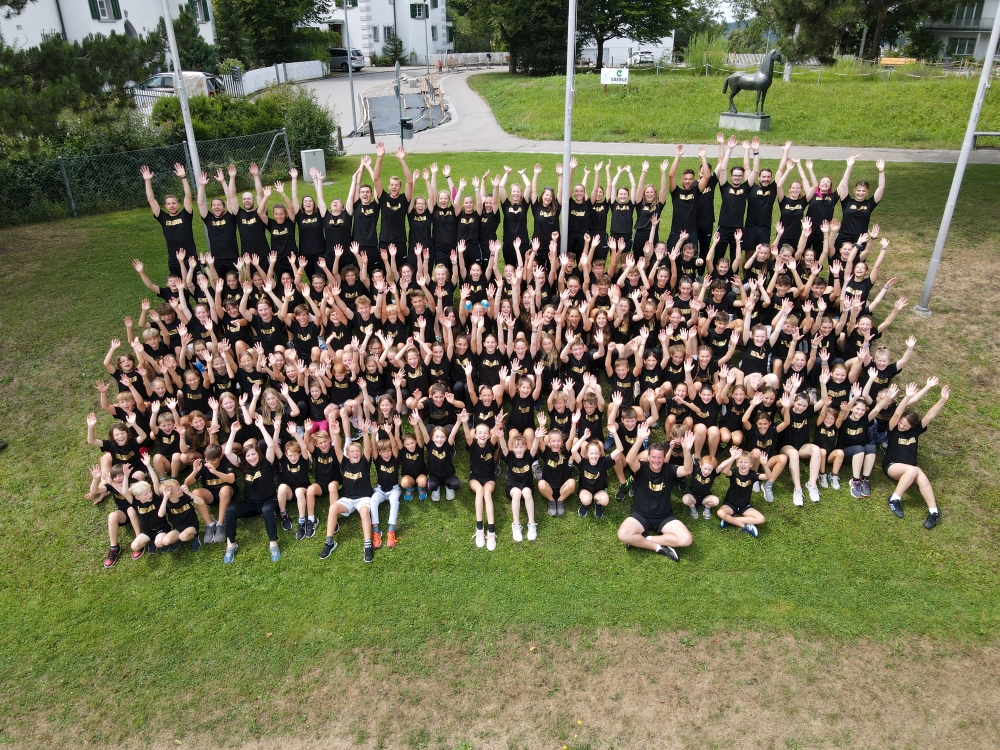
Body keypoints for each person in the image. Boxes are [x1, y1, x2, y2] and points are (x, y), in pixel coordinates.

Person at [616, 424, 695, 562]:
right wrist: (640, 439)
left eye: (659, 458)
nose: (656, 461)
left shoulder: (669, 469)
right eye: (653, 457)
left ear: (664, 458)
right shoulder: (641, 468)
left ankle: (643, 539)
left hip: (664, 517)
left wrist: (687, 450)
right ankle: (659, 548)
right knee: (623, 534)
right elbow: (629, 459)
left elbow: (687, 470)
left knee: (686, 539)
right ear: (648, 457)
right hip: (640, 515)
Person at [881, 381, 949, 529]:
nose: (901, 426)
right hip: (892, 466)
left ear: (912, 427)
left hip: (910, 471)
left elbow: (930, 415)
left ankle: (933, 512)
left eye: (905, 425)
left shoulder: (915, 431)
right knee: (913, 469)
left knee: (920, 474)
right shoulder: (893, 428)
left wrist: (942, 400)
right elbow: (898, 413)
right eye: (901, 423)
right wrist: (907, 397)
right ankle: (894, 499)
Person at [221, 416, 283, 563]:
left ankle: (273, 543)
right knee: (230, 510)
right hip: (249, 503)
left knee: (267, 510)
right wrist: (233, 433)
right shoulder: (244, 466)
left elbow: (270, 446)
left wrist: (261, 426)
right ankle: (231, 544)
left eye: (253, 454)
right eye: (248, 455)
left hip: (268, 501)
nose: (251, 457)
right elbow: (228, 452)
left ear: (258, 454)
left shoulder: (267, 462)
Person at [324, 418, 377, 562]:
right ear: (347, 454)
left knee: (365, 512)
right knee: (333, 507)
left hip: (363, 498)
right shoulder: (344, 463)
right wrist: (335, 434)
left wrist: (365, 433)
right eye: (352, 451)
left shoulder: (364, 464)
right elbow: (337, 449)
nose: (355, 453)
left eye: (357, 451)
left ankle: (367, 545)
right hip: (348, 499)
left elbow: (367, 448)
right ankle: (329, 542)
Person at [141, 163, 196, 277]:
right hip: (174, 260)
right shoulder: (163, 217)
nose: (171, 206)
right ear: (165, 206)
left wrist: (183, 178)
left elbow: (188, 196)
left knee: (196, 288)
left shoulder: (185, 215)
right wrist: (147, 181)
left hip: (190, 258)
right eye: (169, 204)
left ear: (178, 205)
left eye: (174, 203)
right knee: (178, 289)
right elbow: (151, 200)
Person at [462, 412, 500, 551]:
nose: (483, 435)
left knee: (487, 493)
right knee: (479, 490)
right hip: (475, 478)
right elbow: (467, 435)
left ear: (489, 435)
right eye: (480, 433)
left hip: (489, 478)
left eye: (485, 433)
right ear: (476, 435)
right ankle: (479, 529)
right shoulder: (472, 445)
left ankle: (491, 531)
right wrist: (465, 422)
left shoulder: (491, 444)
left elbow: (495, 434)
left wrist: (497, 423)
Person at [196, 167, 240, 277]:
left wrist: (223, 182)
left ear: (224, 207)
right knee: (220, 285)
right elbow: (200, 203)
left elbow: (230, 198)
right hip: (216, 259)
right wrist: (202, 186)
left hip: (232, 257)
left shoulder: (230, 217)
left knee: (235, 284)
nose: (216, 207)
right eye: (214, 205)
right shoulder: (208, 218)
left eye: (219, 205)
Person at [714, 135, 752, 260]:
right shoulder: (724, 186)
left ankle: (732, 278)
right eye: (735, 175)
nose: (737, 177)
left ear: (742, 177)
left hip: (738, 228)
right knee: (718, 255)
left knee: (735, 256)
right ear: (731, 177)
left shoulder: (745, 188)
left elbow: (748, 169)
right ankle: (715, 278)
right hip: (723, 227)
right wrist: (729, 149)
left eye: (739, 176)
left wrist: (746, 151)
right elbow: (723, 168)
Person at [666, 144, 710, 251]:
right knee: (672, 257)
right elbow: (671, 175)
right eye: (685, 179)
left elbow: (707, 176)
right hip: (676, 231)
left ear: (694, 180)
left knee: (691, 258)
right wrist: (678, 156)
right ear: (681, 179)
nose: (687, 181)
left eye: (690, 179)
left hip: (691, 231)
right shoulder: (675, 192)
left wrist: (703, 157)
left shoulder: (696, 191)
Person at [836, 156, 886, 248]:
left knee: (858, 262)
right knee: (838, 262)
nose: (860, 193)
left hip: (860, 238)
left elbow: (881, 187)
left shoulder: (870, 204)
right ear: (854, 191)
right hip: (843, 236)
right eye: (858, 190)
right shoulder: (846, 201)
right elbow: (844, 185)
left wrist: (881, 171)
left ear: (867, 193)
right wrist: (849, 166)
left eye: (863, 191)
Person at [717, 448, 767, 538]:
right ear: (737, 463)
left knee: (761, 519)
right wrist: (733, 457)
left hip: (744, 506)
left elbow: (768, 476)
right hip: (730, 504)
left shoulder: (753, 474)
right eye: (741, 462)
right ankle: (745, 526)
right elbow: (725, 471)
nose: (743, 464)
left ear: (751, 465)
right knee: (720, 513)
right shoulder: (734, 472)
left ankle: (730, 520)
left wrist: (765, 465)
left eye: (746, 462)